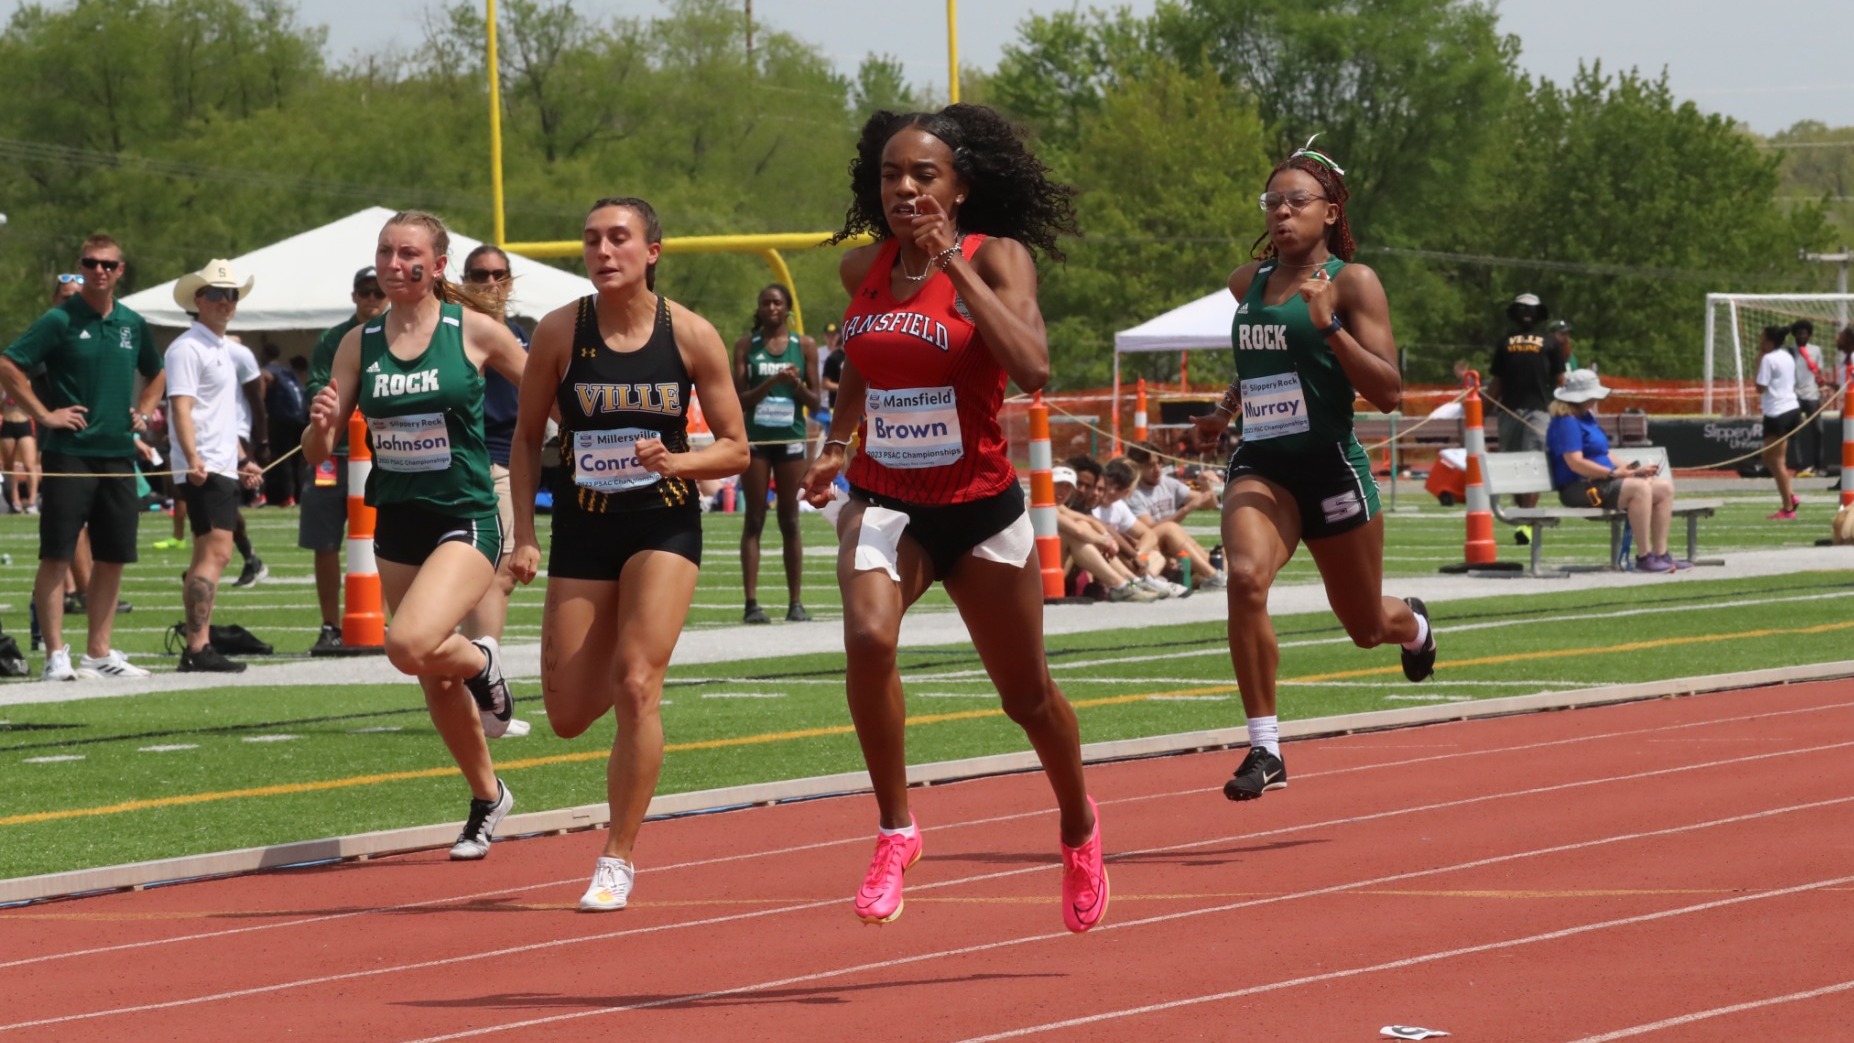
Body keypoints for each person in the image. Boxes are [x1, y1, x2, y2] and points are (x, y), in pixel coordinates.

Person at [802, 103, 1108, 933]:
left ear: (961, 187)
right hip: (886, 496)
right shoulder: (861, 267)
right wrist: (836, 440)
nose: (904, 189)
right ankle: (897, 829)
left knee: (1028, 695)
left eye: (924, 175)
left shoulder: (998, 258)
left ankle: (1078, 824)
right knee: (868, 637)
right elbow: (868, 358)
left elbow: (1034, 367)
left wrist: (954, 267)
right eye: (890, 175)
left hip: (979, 508)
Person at [507, 196, 749, 911]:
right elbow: (526, 440)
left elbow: (737, 447)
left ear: (653, 251)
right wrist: (524, 534)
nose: (603, 251)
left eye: (619, 238)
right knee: (570, 712)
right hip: (583, 526)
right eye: (591, 240)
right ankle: (613, 675)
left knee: (638, 682)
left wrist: (678, 461)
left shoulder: (691, 335)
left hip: (662, 524)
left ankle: (617, 855)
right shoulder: (559, 332)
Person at [1187, 141, 1434, 804]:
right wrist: (1221, 411)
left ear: (1330, 211)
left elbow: (1388, 393)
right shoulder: (1248, 283)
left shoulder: (1354, 283)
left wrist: (1331, 329)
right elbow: (1260, 365)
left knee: (1363, 627)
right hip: (1263, 463)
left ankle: (1411, 623)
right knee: (1243, 577)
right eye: (1273, 201)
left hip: (1329, 465)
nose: (1282, 212)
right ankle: (1265, 746)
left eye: (1298, 201)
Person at [303, 210, 529, 860]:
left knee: (407, 642)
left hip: (464, 511)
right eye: (385, 252)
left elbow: (541, 384)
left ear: (436, 266)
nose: (395, 264)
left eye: (409, 254)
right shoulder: (357, 344)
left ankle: (484, 660)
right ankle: (488, 796)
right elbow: (318, 447)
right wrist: (320, 422)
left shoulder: (475, 331)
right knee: (433, 675)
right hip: (396, 516)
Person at [0, 234, 165, 681]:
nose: (99, 271)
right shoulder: (59, 319)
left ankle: (99, 651)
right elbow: (9, 365)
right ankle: (56, 654)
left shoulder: (132, 322)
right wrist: (44, 414)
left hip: (116, 455)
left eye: (108, 265)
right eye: (91, 263)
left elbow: (157, 371)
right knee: (56, 555)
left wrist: (145, 411)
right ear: (82, 265)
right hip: (69, 453)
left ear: (120, 270)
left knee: (112, 556)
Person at [166, 260, 266, 672]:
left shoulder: (224, 349)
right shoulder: (187, 348)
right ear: (198, 300)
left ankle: (199, 643)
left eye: (232, 295)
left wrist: (243, 460)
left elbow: (221, 416)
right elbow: (182, 408)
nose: (226, 302)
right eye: (217, 294)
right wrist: (192, 458)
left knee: (212, 553)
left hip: (221, 463)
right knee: (216, 552)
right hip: (203, 465)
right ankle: (197, 648)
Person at [299, 266, 389, 652]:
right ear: (354, 296)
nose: (372, 299)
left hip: (382, 453)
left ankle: (382, 621)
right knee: (324, 538)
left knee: (386, 540)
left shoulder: (400, 335)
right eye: (365, 292)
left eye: (377, 292)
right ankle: (329, 624)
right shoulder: (335, 339)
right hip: (334, 455)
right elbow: (320, 388)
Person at [734, 283, 818, 624]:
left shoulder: (805, 345)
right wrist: (773, 382)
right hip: (757, 442)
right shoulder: (745, 346)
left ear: (787, 310)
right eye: (765, 303)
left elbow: (816, 402)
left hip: (792, 439)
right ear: (759, 309)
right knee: (754, 517)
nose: (771, 308)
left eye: (777, 303)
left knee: (790, 519)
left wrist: (795, 384)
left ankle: (795, 602)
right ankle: (751, 603)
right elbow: (739, 400)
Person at [1545, 369, 1686, 572]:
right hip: (1579, 488)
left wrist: (1632, 470)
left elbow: (1605, 453)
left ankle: (1661, 555)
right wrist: (1612, 474)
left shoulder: (1586, 416)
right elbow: (1575, 463)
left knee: (1664, 489)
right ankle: (1644, 557)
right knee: (1640, 489)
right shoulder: (1566, 422)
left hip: (1601, 482)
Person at [1487, 293, 1563, 520]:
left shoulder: (1550, 342)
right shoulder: (1504, 343)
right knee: (1514, 467)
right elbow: (1497, 382)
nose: (1527, 314)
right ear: (1515, 313)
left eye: (1531, 310)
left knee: (1533, 463)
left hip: (1539, 410)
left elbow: (1560, 381)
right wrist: (1478, 413)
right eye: (1522, 309)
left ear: (1539, 314)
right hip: (1509, 412)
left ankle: (1528, 520)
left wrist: (1564, 412)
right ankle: (1521, 516)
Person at [1051, 465, 1163, 601]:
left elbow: (1088, 520)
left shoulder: (1058, 506)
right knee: (1074, 535)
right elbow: (1078, 531)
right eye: (1059, 485)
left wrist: (1106, 537)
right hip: (1034, 576)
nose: (1063, 491)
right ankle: (1122, 584)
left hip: (1055, 569)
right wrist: (1106, 541)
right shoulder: (1038, 505)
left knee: (1159, 554)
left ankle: (1131, 581)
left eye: (1068, 487)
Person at [225, 335, 268, 586]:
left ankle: (247, 558)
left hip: (234, 433)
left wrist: (262, 441)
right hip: (204, 435)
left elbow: (256, 398)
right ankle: (250, 558)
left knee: (223, 500)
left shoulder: (238, 353)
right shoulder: (185, 348)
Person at [1755, 325, 1802, 520]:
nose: (1759, 340)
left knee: (1776, 461)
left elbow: (1760, 387)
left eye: (1762, 338)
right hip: (1792, 409)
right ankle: (1790, 495)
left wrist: (1757, 362)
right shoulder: (1787, 355)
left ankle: (1788, 508)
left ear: (1769, 342)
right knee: (1768, 458)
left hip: (1778, 412)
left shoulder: (1768, 359)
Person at [261, 341, 308, 506]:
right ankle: (299, 494)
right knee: (298, 461)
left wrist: (260, 407)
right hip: (300, 420)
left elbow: (263, 381)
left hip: (281, 421)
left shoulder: (268, 371)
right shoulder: (288, 372)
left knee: (282, 459)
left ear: (264, 355)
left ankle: (287, 496)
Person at [1788, 319, 1826, 477]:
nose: (1802, 335)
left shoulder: (1816, 350)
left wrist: (1821, 391)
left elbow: (1819, 373)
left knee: (1818, 430)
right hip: (1794, 395)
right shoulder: (1789, 351)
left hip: (1811, 395)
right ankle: (1798, 465)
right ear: (1795, 334)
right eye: (1799, 333)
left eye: (1805, 333)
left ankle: (1819, 465)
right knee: (1794, 432)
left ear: (1809, 335)